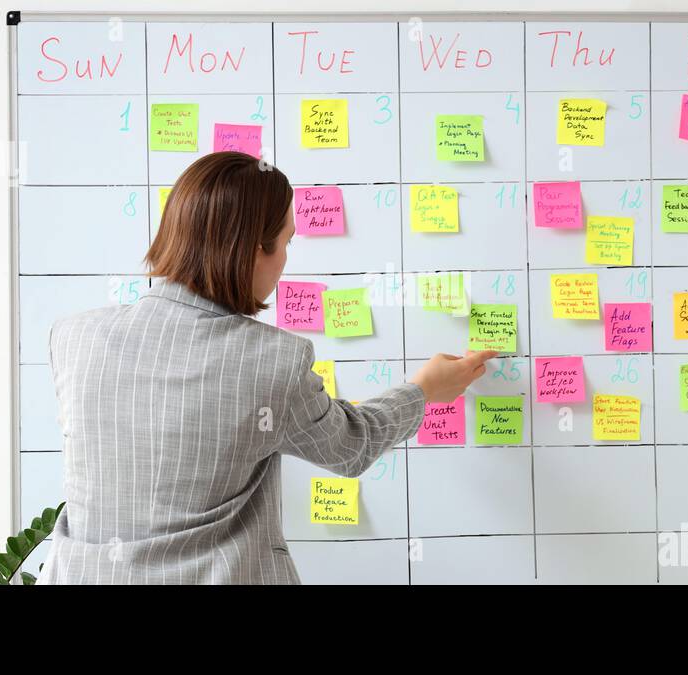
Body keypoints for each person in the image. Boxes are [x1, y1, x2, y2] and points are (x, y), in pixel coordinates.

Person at [37, 151, 496, 584]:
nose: (287, 258)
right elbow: (351, 447)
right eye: (287, 241)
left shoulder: (73, 337)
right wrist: (423, 390)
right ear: (257, 249)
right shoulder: (274, 361)